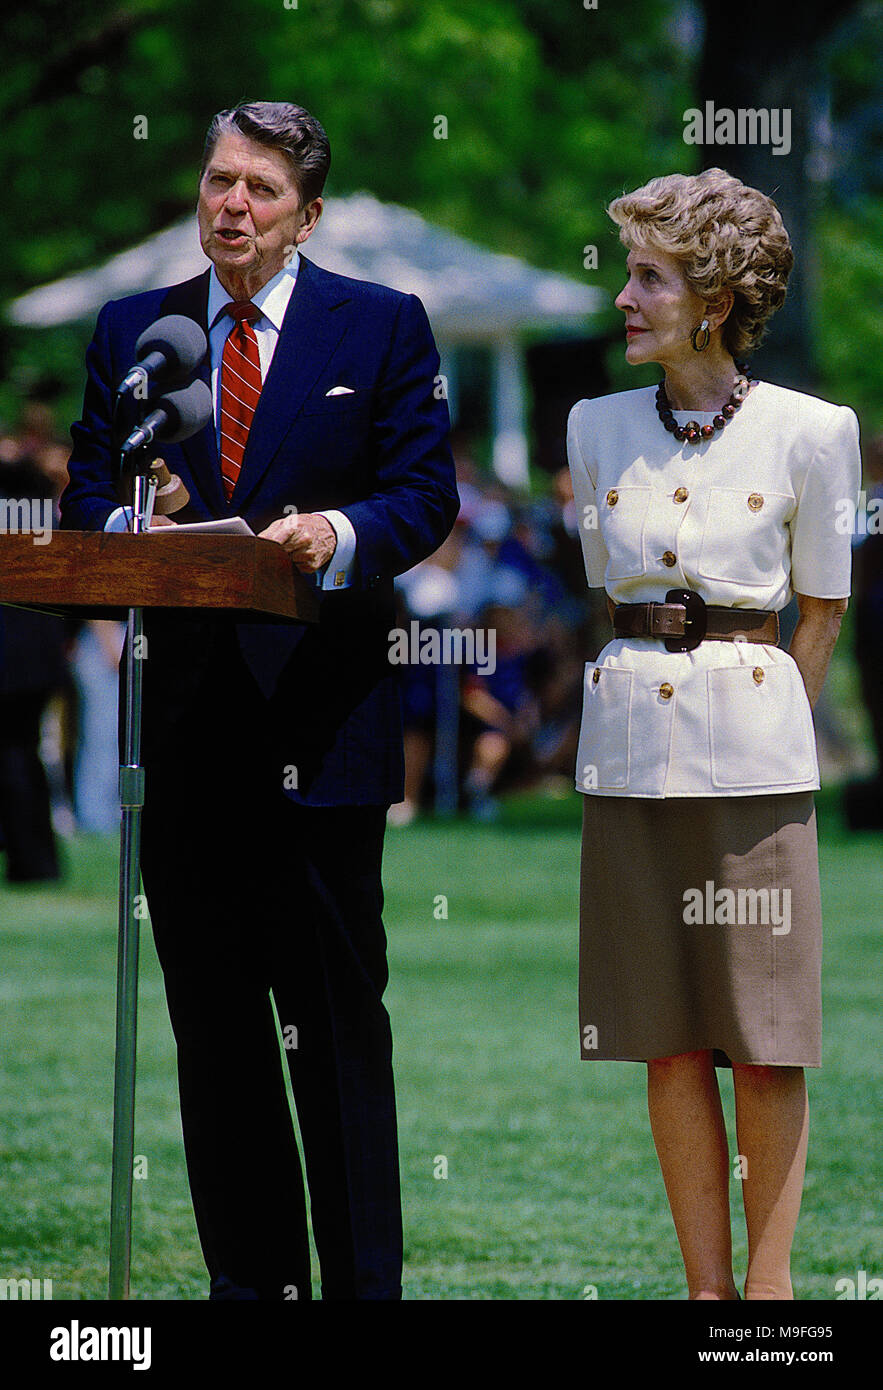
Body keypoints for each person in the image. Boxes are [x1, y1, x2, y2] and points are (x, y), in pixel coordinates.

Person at [60, 100, 458, 1300]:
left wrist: (336, 531)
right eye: (219, 179)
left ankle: (361, 1290)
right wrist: (138, 527)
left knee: (334, 1037)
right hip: (180, 744)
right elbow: (86, 494)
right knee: (217, 1040)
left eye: (261, 190)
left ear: (308, 215)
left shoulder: (382, 325)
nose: (231, 204)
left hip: (321, 733)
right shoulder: (141, 330)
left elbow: (422, 493)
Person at [566, 169, 860, 1301]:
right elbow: (606, 588)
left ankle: (771, 1295)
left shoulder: (812, 430)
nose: (625, 297)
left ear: (715, 297)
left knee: (765, 1034)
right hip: (630, 758)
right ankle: (705, 1298)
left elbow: (821, 607)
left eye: (649, 276)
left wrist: (770, 724)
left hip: (753, 771)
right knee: (667, 1035)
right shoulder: (594, 426)